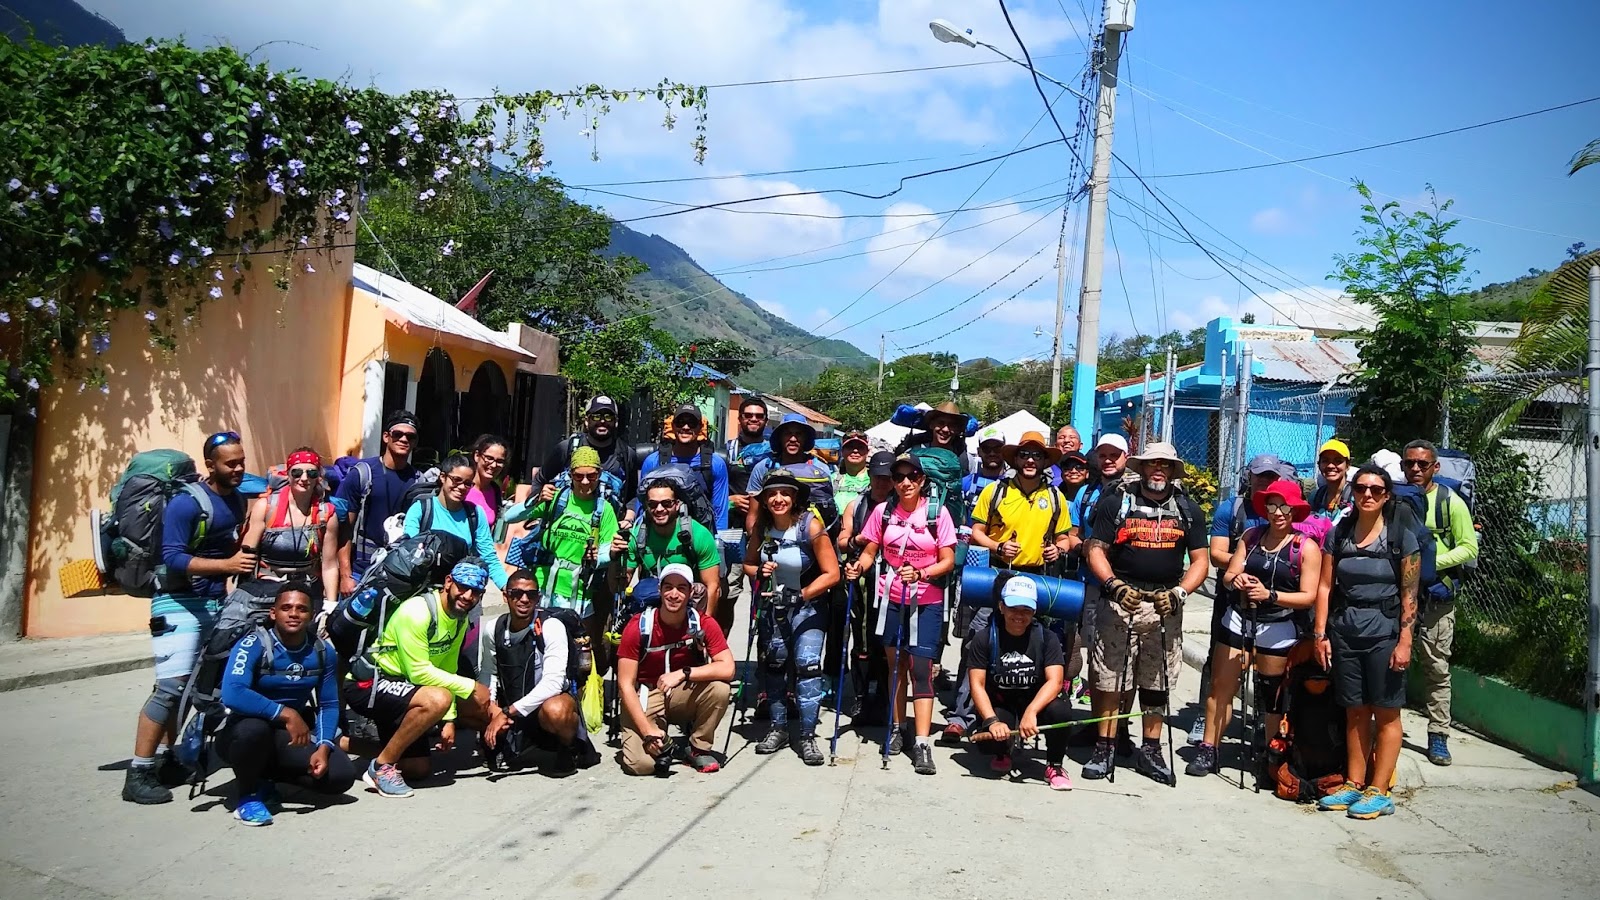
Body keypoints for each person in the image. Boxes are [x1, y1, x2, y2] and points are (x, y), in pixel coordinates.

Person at [123, 430, 252, 805]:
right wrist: (226, 565)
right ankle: (138, 772)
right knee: (168, 689)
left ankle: (168, 760)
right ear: (210, 465)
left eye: (241, 461)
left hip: (212, 605)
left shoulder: (238, 501)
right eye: (231, 463)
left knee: (193, 689)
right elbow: (174, 556)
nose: (239, 468)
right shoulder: (185, 504)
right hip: (175, 602)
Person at [1082, 441, 1208, 786]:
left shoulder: (1188, 509)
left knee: (1158, 680)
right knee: (1108, 678)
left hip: (1165, 605)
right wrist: (1112, 585)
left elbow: (1200, 560)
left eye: (1165, 466)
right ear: (1140, 467)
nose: (1158, 470)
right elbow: (1096, 548)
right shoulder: (1117, 502)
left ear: (1172, 471)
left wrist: (1181, 593)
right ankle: (1105, 746)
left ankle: (1150, 749)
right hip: (1121, 602)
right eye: (1152, 464)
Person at [1188, 479, 1323, 776]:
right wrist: (1236, 580)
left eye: (1285, 506)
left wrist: (1271, 595)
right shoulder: (1251, 536)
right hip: (1239, 619)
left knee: (1271, 696)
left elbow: (1308, 596)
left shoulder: (1306, 548)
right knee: (1221, 688)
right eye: (1272, 505)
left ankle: (1269, 754)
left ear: (1295, 510)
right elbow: (1228, 574)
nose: (1278, 512)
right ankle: (1209, 749)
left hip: (1278, 626)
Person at [949, 431, 1072, 741]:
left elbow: (1065, 537)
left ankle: (1025, 714)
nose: (1030, 461)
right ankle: (962, 716)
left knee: (1036, 648)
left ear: (1045, 461)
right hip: (999, 575)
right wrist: (997, 546)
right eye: (1025, 455)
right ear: (1015, 459)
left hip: (1037, 579)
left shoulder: (1056, 497)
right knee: (979, 640)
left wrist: (1059, 548)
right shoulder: (996, 491)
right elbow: (975, 530)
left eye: (1037, 456)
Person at [1313, 464, 1420, 820]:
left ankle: (1380, 789)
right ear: (1353, 492)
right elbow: (1326, 587)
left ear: (1387, 494)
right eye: (1361, 488)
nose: (1368, 495)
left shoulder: (1400, 535)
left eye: (1376, 489)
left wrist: (1405, 640)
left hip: (1385, 632)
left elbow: (1410, 593)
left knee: (1386, 711)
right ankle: (1354, 784)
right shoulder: (1338, 533)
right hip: (1345, 631)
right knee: (1354, 709)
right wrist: (1320, 633)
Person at [342, 558, 499, 798]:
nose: (468, 596)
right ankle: (381, 768)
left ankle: (342, 744)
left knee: (418, 768)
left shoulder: (459, 619)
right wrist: (470, 687)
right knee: (439, 698)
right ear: (448, 582)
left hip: (402, 688)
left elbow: (447, 666)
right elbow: (419, 672)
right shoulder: (417, 611)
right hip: (370, 684)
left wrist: (448, 719)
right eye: (462, 587)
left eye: (476, 592)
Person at [844, 454, 957, 775]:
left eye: (912, 477)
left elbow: (947, 560)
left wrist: (921, 574)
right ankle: (897, 728)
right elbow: (869, 551)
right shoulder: (883, 511)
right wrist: (857, 568)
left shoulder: (938, 514)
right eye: (898, 477)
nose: (905, 482)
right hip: (891, 597)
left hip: (927, 601)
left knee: (921, 668)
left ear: (922, 480)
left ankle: (921, 742)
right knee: (895, 668)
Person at [217, 585, 355, 825]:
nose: (293, 614)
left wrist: (323, 746)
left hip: (287, 736)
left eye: (301, 609)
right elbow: (233, 693)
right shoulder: (253, 644)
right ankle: (247, 796)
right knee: (253, 731)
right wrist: (286, 713)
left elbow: (329, 704)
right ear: (273, 613)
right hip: (243, 732)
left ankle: (265, 777)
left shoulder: (323, 651)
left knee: (341, 776)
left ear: (311, 616)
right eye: (286, 608)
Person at [1192, 452, 1294, 745]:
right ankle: (1204, 717)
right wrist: (1250, 565)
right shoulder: (1231, 508)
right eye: (1260, 476)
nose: (1265, 482)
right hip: (1232, 597)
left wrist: (1264, 569)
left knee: (1269, 667)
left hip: (1273, 602)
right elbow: (1216, 554)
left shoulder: (1285, 509)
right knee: (1218, 660)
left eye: (1271, 477)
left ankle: (1265, 723)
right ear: (1249, 477)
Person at [744, 472, 841, 764]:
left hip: (808, 608)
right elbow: (749, 564)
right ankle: (778, 728)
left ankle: (808, 737)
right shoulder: (762, 528)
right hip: (774, 608)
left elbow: (832, 573)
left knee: (807, 665)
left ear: (795, 497)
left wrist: (803, 595)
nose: (778, 499)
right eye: (772, 494)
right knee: (775, 664)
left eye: (785, 493)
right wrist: (760, 573)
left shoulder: (810, 526)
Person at [615, 564, 736, 775]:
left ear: (690, 592)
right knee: (642, 766)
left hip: (680, 689)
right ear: (660, 590)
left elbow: (728, 668)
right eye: (668, 587)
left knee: (720, 688)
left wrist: (684, 673)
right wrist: (647, 732)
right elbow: (625, 685)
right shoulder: (638, 626)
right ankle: (656, 733)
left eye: (681, 588)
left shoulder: (702, 623)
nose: (674, 594)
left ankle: (698, 748)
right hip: (645, 693)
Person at [1402, 438, 1479, 767]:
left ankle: (1438, 736)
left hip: (1436, 598)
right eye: (1410, 464)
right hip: (1399, 597)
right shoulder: (1395, 500)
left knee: (1436, 668)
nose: (1416, 469)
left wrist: (1432, 562)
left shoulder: (1451, 502)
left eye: (1423, 464)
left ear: (1436, 467)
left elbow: (1469, 548)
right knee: (1392, 664)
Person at [480, 569, 599, 774]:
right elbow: (489, 674)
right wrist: (492, 709)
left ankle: (568, 749)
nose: (524, 599)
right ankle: (500, 744)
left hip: (545, 704)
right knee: (476, 697)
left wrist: (509, 711)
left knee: (555, 710)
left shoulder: (551, 627)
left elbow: (553, 684)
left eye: (531, 595)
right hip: (514, 704)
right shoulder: (494, 628)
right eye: (516, 594)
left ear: (539, 598)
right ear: (505, 596)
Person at [967, 576, 1074, 791]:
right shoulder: (983, 637)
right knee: (991, 737)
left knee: (1061, 711)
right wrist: (992, 721)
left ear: (1034, 611)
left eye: (1026, 609)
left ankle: (1055, 764)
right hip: (1002, 701)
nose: (1019, 615)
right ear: (1001, 606)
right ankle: (1002, 751)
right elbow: (977, 685)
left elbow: (1056, 681)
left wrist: (1032, 711)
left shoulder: (1048, 638)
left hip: (1035, 700)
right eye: (1013, 608)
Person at [521, 446, 619, 651]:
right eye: (578, 475)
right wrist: (535, 499)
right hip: (544, 589)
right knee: (539, 648)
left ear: (599, 475)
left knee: (579, 652)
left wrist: (597, 558)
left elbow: (609, 549)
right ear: (570, 474)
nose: (584, 482)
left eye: (591, 476)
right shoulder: (557, 499)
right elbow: (510, 517)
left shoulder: (604, 509)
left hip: (580, 593)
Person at [1063, 433, 1130, 706]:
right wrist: (1088, 550)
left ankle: (1116, 726)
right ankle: (1094, 719)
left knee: (1118, 653)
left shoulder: (1136, 493)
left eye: (1114, 455)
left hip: (1124, 584)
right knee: (1088, 646)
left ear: (1126, 457)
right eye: (1103, 455)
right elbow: (1071, 534)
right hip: (1089, 581)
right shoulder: (1085, 492)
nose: (1108, 460)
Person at [238, 447, 339, 611]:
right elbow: (247, 556)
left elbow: (329, 565)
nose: (304, 478)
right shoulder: (266, 507)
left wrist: (331, 605)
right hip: (267, 592)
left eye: (312, 473)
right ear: (288, 474)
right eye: (297, 472)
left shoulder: (326, 514)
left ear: (318, 477)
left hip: (307, 593)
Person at [836, 450, 895, 723]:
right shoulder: (856, 505)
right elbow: (842, 539)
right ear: (869, 477)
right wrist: (859, 540)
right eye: (878, 477)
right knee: (860, 637)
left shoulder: (902, 506)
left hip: (892, 580)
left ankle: (884, 698)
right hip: (861, 577)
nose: (882, 483)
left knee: (886, 640)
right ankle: (860, 697)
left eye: (887, 478)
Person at [609, 481, 722, 622]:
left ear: (678, 504)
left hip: (690, 608)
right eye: (653, 504)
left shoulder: (698, 534)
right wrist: (614, 557)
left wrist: (705, 627)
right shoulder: (636, 536)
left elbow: (713, 587)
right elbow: (618, 587)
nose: (659, 509)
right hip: (649, 610)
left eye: (667, 503)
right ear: (646, 506)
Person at [336, 410, 420, 595]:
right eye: (398, 434)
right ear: (386, 437)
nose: (404, 439)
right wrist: (345, 576)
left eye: (410, 436)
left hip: (398, 575)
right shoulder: (362, 474)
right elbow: (344, 529)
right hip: (360, 572)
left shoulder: (418, 482)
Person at [400, 452, 509, 592]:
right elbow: (410, 552)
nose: (462, 487)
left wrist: (507, 587)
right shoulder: (421, 509)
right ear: (443, 477)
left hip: (461, 595)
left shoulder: (475, 514)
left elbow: (488, 556)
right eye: (456, 480)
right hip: (422, 592)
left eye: (468, 483)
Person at [526, 396, 637, 524]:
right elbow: (540, 480)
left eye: (608, 417)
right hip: (565, 524)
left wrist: (628, 519)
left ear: (616, 421)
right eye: (596, 416)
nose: (602, 421)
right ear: (586, 420)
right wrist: (537, 508)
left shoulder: (626, 454)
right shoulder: (566, 448)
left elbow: (632, 495)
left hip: (608, 527)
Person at [638, 403, 731, 532]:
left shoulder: (715, 464)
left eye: (691, 423)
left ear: (700, 427)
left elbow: (719, 510)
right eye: (680, 422)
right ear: (673, 426)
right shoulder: (654, 462)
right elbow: (642, 506)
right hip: (659, 536)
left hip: (700, 537)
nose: (685, 427)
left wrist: (718, 544)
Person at [724, 396, 773, 628]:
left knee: (767, 598)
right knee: (726, 597)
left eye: (759, 416)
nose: (754, 419)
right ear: (740, 419)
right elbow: (710, 492)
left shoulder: (774, 454)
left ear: (766, 420)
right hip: (732, 533)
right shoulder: (725, 453)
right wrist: (729, 501)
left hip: (766, 534)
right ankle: (719, 656)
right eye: (748, 415)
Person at [465, 434, 509, 531]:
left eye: (500, 461)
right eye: (489, 458)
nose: (493, 465)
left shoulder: (495, 491)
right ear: (477, 456)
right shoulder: (461, 487)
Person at [1309, 439, 1354, 530]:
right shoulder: (1316, 497)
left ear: (1348, 465)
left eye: (1338, 461)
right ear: (1319, 465)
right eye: (1325, 461)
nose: (1330, 466)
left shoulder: (1355, 497)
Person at [961, 427, 1007, 512]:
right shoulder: (964, 484)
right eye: (987, 449)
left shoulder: (1014, 486)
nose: (992, 453)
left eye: (997, 449)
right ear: (979, 451)